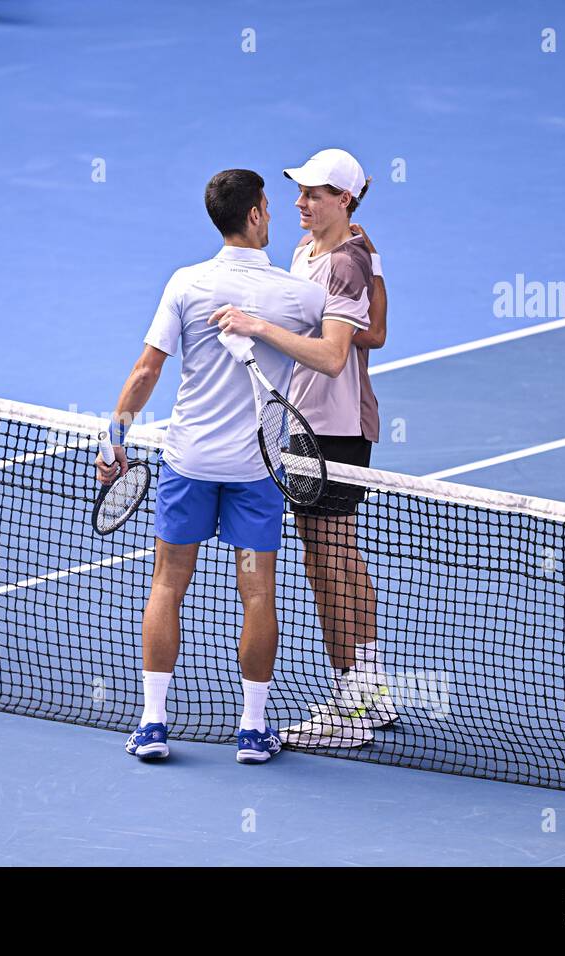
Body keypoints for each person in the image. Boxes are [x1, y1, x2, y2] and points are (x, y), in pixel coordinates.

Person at [98, 169, 365, 764]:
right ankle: (251, 728)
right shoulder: (295, 296)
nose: (277, 212)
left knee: (168, 583)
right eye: (271, 204)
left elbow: (146, 371)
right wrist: (358, 250)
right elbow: (351, 337)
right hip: (253, 473)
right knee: (257, 593)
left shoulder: (185, 284)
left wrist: (115, 436)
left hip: (189, 464)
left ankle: (152, 722)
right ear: (254, 215)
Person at [274, 149, 396, 749]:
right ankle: (367, 689)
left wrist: (261, 329)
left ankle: (356, 700)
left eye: (313, 194)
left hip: (337, 428)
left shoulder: (347, 263)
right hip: (305, 421)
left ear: (343, 199)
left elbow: (334, 355)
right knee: (327, 555)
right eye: (299, 192)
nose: (299, 203)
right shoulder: (310, 252)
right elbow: (371, 333)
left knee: (333, 557)